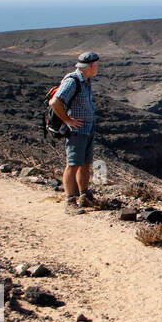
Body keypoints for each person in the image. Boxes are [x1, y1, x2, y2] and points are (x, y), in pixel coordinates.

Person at [50, 51, 100, 214]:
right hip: (76, 130)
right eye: (97, 65)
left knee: (85, 163)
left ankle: (84, 195)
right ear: (91, 65)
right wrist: (67, 120)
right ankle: (70, 201)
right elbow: (55, 102)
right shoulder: (73, 81)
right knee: (73, 164)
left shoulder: (86, 80)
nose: (98, 68)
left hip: (87, 128)